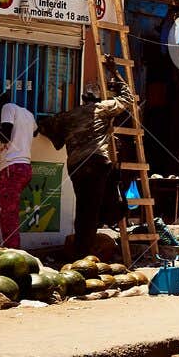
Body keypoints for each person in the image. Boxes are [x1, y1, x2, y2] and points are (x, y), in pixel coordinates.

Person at [40, 79, 133, 258]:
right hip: (97, 163)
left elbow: (47, 129)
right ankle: (83, 254)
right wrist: (118, 81)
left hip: (77, 167)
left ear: (83, 98)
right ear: (97, 99)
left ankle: (83, 249)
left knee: (85, 209)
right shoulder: (102, 108)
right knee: (93, 211)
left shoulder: (67, 116)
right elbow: (128, 99)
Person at [0, 90, 36, 249]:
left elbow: (4, 136)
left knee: (8, 215)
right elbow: (35, 132)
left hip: (13, 168)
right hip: (23, 168)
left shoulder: (7, 108)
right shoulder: (28, 114)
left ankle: (13, 252)